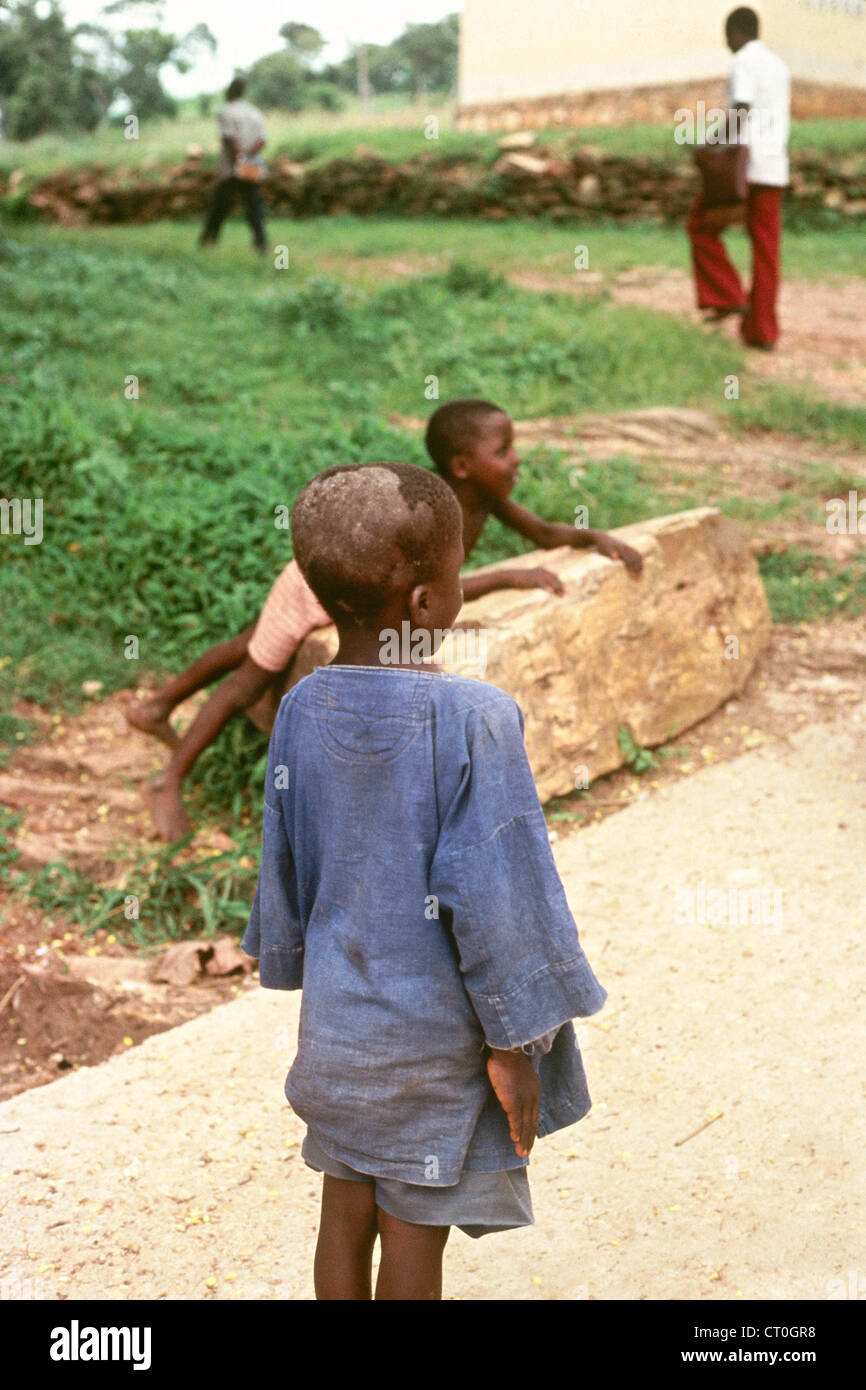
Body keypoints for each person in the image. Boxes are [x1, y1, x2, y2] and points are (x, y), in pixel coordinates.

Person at [241, 461, 607, 1300]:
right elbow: (502, 898)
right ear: (427, 603)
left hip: (338, 1035)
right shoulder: (474, 718)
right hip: (433, 1049)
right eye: (454, 575)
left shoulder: (299, 707)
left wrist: (288, 953)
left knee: (344, 1213)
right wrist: (515, 1046)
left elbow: (287, 854)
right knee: (414, 1238)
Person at [129, 398, 643, 841]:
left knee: (255, 641)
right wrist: (511, 576)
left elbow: (546, 533)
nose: (516, 460)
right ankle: (168, 778)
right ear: (463, 465)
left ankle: (158, 705)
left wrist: (596, 538)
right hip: (319, 588)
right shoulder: (439, 510)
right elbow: (428, 586)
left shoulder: (489, 500)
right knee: (254, 675)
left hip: (358, 585)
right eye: (503, 450)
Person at [687, 7, 790, 350]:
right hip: (774, 168)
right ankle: (762, 332)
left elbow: (741, 110)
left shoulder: (744, 60)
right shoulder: (779, 66)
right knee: (765, 250)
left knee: (700, 225)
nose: (725, 43)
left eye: (726, 35)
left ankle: (727, 294)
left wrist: (708, 144)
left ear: (736, 32)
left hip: (743, 169)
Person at [199, 76, 267, 254]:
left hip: (232, 167)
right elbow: (262, 141)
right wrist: (248, 158)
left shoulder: (226, 112)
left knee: (220, 205)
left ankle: (208, 240)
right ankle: (261, 243)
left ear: (229, 92)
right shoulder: (254, 112)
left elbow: (230, 139)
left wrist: (239, 160)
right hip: (251, 164)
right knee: (254, 206)